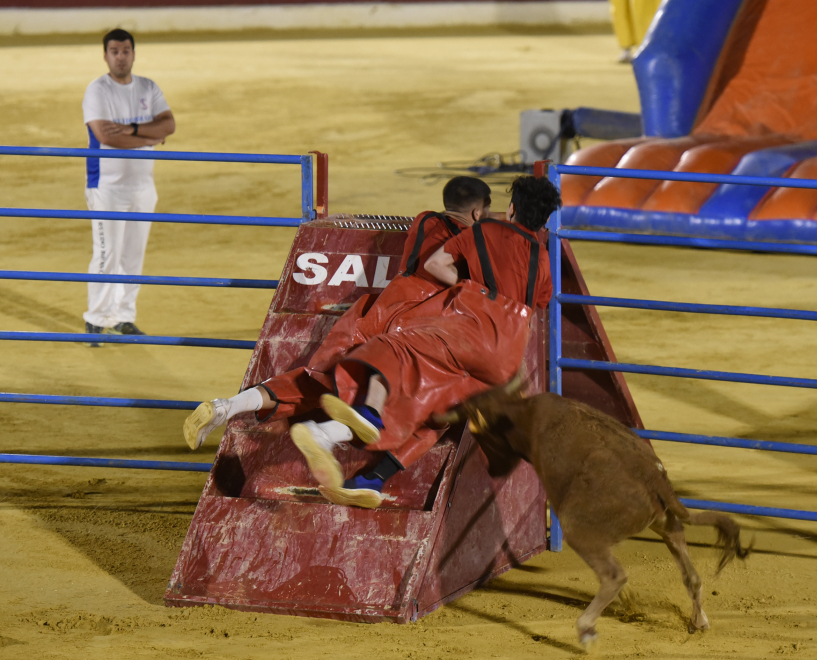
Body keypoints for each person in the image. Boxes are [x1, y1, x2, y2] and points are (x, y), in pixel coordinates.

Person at [295, 176, 560, 508]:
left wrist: (466, 287)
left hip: (474, 333)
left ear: (511, 208)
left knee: (393, 347)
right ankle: (372, 479)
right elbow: (535, 310)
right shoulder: (543, 258)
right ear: (545, 219)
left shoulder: (484, 231)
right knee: (439, 412)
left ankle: (369, 414)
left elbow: (435, 263)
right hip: (507, 359)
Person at [182, 176, 494, 450]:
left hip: (376, 310)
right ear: (478, 212)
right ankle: (332, 441)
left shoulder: (424, 220)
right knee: (402, 402)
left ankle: (226, 406)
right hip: (413, 323)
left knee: (317, 380)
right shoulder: (475, 240)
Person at [82, 28, 176, 346]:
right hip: (106, 186)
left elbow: (170, 124)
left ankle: (123, 317)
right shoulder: (97, 90)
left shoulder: (148, 87)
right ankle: (96, 319)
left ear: (133, 54)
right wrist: (150, 137)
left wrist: (133, 128)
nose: (120, 56)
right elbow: (107, 137)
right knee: (108, 255)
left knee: (133, 255)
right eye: (114, 51)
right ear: (105, 55)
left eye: (125, 50)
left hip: (142, 186)